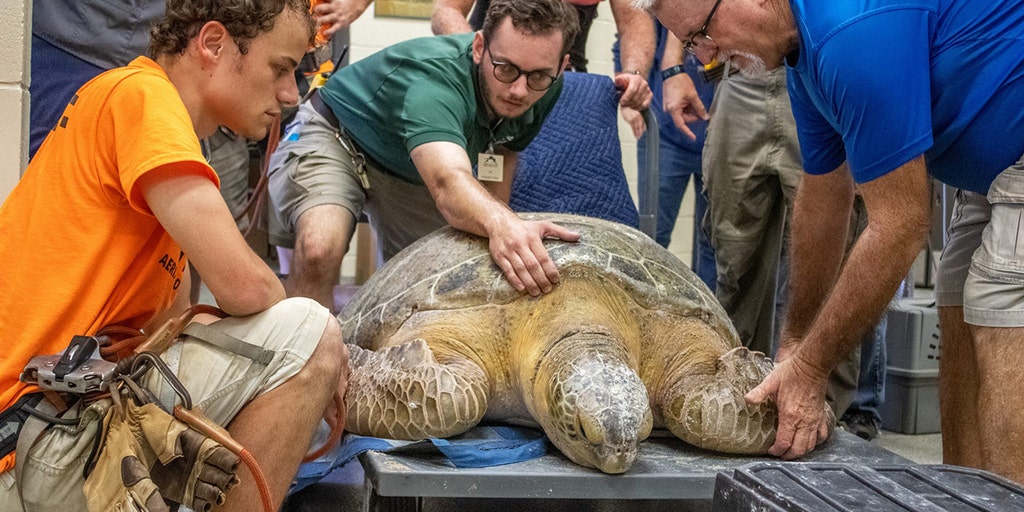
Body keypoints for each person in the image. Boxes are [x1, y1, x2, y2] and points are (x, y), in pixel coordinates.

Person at [638, 0, 1024, 480]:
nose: (705, 58)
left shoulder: (846, 32)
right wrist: (796, 342)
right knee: (958, 305)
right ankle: (969, 496)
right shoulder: (803, 56)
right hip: (991, 170)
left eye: (702, 34)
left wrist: (811, 368)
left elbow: (900, 226)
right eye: (693, 45)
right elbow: (824, 196)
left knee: (999, 303)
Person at [0, 1, 348, 510]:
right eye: (280, 69)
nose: (290, 94)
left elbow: (168, 327)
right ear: (212, 44)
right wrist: (327, 362)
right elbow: (246, 289)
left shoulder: (160, 133)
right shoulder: (142, 96)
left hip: (51, 429)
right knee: (314, 335)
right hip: (30, 442)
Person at [268, 0, 650, 311]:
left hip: (409, 168)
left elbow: (503, 153)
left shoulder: (548, 86)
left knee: (430, 283)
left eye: (536, 76)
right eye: (505, 68)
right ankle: (303, 372)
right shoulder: (436, 79)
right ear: (480, 46)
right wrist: (503, 226)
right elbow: (449, 181)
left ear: (562, 66)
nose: (518, 89)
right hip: (340, 136)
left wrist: (497, 227)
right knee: (320, 247)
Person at [613, 16, 716, 289]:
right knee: (652, 235)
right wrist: (629, 101)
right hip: (666, 135)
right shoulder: (671, 9)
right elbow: (628, 36)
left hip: (720, 137)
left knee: (713, 244)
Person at [432, 0, 601, 72]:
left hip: (564, 76)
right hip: (487, 66)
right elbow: (446, 10)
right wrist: (476, 56)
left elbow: (627, 23)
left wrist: (628, 71)